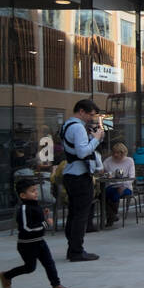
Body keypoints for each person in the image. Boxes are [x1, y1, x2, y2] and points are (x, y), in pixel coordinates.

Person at [0, 178, 69, 288]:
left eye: (36, 190)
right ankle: (6, 275)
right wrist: (45, 223)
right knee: (30, 268)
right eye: (32, 191)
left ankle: (56, 285)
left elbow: (36, 220)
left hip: (39, 241)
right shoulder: (24, 208)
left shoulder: (35, 205)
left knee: (49, 263)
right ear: (23, 195)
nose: (36, 193)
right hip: (27, 245)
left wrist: (43, 216)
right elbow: (27, 228)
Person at [60, 98, 104, 262]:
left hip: (70, 174)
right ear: (81, 111)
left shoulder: (66, 125)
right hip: (79, 175)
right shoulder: (78, 127)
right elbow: (82, 152)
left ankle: (73, 248)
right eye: (90, 115)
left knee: (73, 213)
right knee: (81, 215)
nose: (91, 118)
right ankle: (76, 250)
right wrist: (96, 139)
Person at [101, 142, 135, 228]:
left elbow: (132, 177)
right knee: (102, 195)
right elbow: (102, 171)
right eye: (114, 152)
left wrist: (124, 186)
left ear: (123, 153)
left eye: (118, 153)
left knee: (114, 194)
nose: (115, 155)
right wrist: (104, 173)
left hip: (125, 186)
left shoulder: (129, 161)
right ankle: (112, 215)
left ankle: (111, 217)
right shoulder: (108, 160)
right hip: (111, 185)